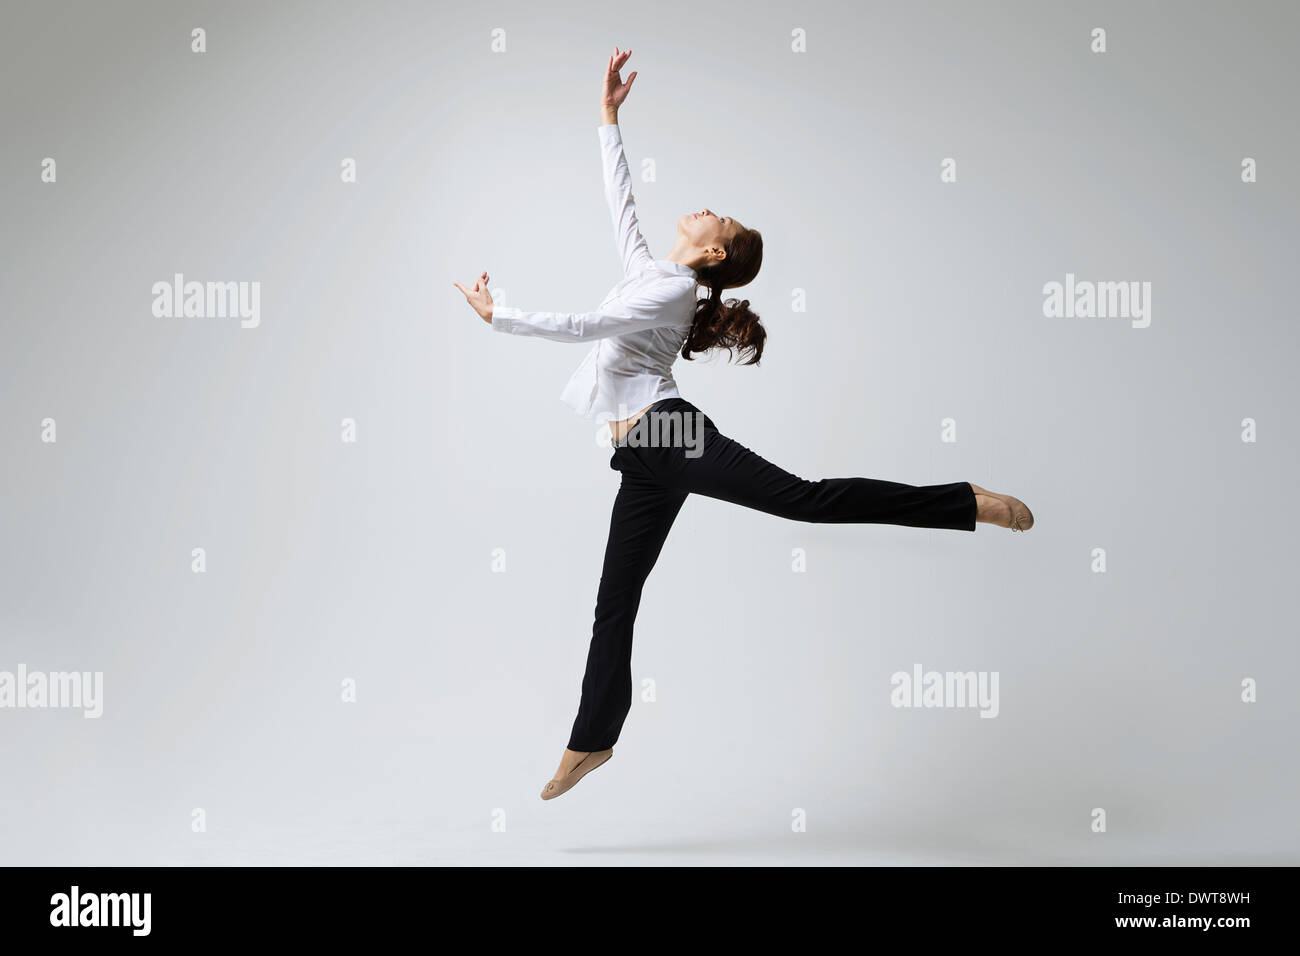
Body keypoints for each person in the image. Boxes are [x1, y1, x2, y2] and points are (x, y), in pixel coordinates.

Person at [453, 47, 1034, 801]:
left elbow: (587, 324)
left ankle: (965, 501)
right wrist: (607, 117)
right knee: (614, 601)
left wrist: (502, 317)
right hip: (642, 456)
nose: (699, 206)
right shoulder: (655, 272)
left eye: (712, 215)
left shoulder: (668, 293)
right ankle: (593, 740)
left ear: (713, 250)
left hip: (667, 434)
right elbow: (619, 199)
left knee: (805, 500)